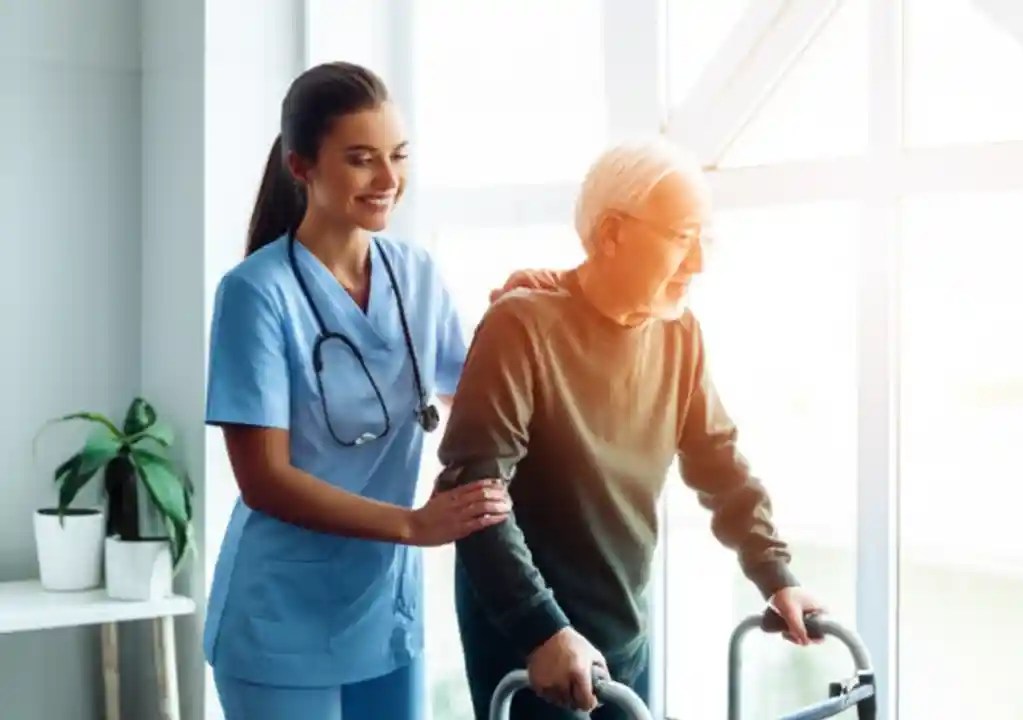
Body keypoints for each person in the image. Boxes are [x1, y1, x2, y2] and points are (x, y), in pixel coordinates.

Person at [436, 136, 826, 719]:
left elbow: (718, 462)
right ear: (613, 233)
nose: (698, 262)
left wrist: (775, 575)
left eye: (704, 238)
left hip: (624, 630)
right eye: (680, 237)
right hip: (534, 644)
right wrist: (542, 629)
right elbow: (474, 493)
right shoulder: (521, 326)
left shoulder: (679, 334)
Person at [203, 61, 548, 719]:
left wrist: (522, 309)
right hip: (281, 622)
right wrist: (413, 525)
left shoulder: (413, 271)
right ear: (301, 166)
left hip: (383, 614)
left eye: (398, 156)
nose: (389, 180)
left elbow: (476, 388)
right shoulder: (256, 293)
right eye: (362, 159)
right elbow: (264, 480)